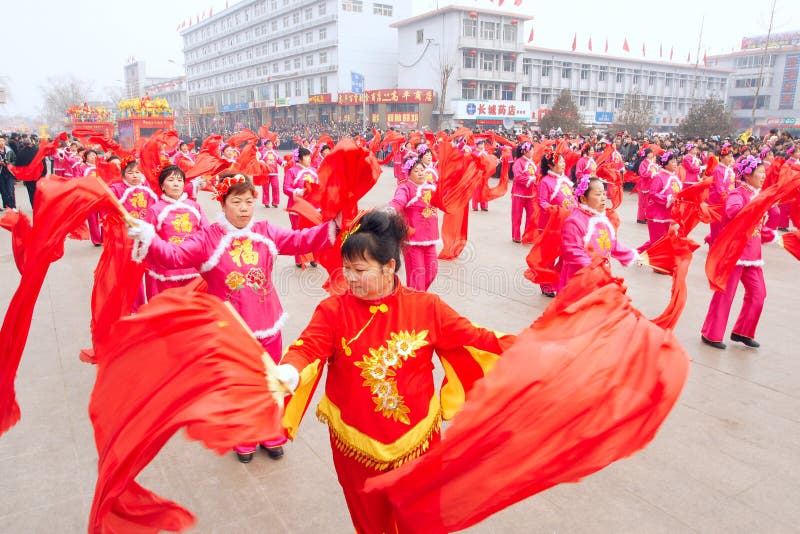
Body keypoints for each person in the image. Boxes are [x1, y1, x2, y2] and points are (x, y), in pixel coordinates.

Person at [274, 210, 510, 534]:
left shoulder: (426, 307)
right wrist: (290, 368)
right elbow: (307, 347)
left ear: (389, 266)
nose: (350, 278)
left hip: (418, 445)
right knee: (369, 523)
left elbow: (478, 338)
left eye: (359, 270)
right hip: (355, 449)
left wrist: (534, 346)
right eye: (346, 269)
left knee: (422, 520)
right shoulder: (333, 311)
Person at [128, 175, 340, 462]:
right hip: (230, 329)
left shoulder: (266, 230)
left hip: (267, 323)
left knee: (269, 380)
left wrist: (334, 226)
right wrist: (150, 237)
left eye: (249, 201)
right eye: (236, 201)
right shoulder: (207, 237)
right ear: (223, 203)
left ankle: (268, 430)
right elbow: (174, 256)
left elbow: (300, 240)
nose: (244, 208)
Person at [701, 157, 776, 350]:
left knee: (759, 293)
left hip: (753, 255)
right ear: (748, 175)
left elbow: (758, 227)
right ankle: (712, 334)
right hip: (735, 253)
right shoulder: (738, 194)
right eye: (760, 173)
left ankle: (742, 331)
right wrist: (755, 209)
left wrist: (773, 235)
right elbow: (733, 211)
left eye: (764, 173)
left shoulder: (757, 196)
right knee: (725, 294)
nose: (763, 176)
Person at [559, 178, 637, 291]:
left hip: (601, 276)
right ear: (583, 199)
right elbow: (574, 252)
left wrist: (631, 256)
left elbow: (612, 244)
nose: (603, 198)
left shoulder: (601, 219)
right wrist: (594, 269)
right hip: (581, 280)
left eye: (604, 194)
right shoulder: (574, 222)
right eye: (598, 194)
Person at [143, 165, 209, 297]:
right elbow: (149, 240)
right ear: (162, 186)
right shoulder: (155, 210)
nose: (176, 184)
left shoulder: (194, 206)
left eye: (179, 180)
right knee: (168, 308)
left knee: (193, 308)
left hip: (193, 266)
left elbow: (206, 233)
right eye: (171, 180)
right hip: (166, 269)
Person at [386, 157, 440, 291]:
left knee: (432, 272)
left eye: (422, 170)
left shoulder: (431, 187)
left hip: (430, 238)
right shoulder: (405, 188)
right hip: (412, 240)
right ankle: (415, 303)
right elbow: (398, 201)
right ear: (409, 173)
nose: (421, 173)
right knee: (418, 277)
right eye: (416, 171)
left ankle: (418, 297)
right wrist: (391, 209)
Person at [536, 150, 576, 297]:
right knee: (549, 256)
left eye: (564, 161)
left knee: (566, 254)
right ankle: (546, 284)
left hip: (567, 223)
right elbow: (542, 202)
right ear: (551, 165)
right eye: (560, 162)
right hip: (550, 225)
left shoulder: (564, 178)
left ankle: (558, 280)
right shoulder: (545, 181)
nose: (564, 164)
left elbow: (571, 197)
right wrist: (555, 210)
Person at [638, 151, 682, 254]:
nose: (675, 164)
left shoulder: (675, 177)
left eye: (676, 161)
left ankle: (637, 253)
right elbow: (653, 194)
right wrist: (667, 198)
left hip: (668, 213)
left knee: (661, 239)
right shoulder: (659, 177)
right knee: (658, 240)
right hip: (657, 214)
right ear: (665, 164)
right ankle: (657, 264)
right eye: (672, 161)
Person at [283, 147, 320, 268]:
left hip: (312, 207)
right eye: (306, 156)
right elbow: (286, 187)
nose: (309, 158)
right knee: (298, 233)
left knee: (314, 232)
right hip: (297, 207)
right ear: (299, 158)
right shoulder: (291, 171)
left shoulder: (314, 171)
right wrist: (298, 191)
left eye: (310, 156)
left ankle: (314, 258)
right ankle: (300, 259)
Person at [706, 143, 736, 245]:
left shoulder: (729, 169)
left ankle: (716, 242)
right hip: (718, 202)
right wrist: (728, 198)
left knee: (724, 225)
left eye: (731, 156)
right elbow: (720, 188)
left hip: (727, 200)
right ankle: (714, 244)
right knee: (717, 225)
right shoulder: (718, 169)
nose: (730, 158)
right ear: (722, 157)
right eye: (728, 156)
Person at [510, 141, 537, 243]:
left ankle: (528, 236)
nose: (533, 151)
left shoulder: (532, 163)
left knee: (531, 216)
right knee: (517, 216)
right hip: (519, 193)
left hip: (530, 194)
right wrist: (530, 179)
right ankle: (516, 236)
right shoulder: (518, 162)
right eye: (532, 149)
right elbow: (518, 177)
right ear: (525, 151)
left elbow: (536, 175)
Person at [635, 148, 657, 224]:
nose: (652, 154)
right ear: (647, 154)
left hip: (651, 184)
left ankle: (646, 216)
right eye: (650, 153)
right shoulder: (643, 163)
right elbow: (642, 173)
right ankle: (640, 218)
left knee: (648, 202)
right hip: (644, 184)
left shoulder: (652, 163)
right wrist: (651, 174)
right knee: (643, 203)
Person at [259, 138, 283, 208]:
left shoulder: (274, 152)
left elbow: (279, 160)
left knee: (275, 187)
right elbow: (259, 160)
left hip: (274, 173)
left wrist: (283, 163)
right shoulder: (262, 152)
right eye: (268, 144)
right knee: (265, 188)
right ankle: (266, 202)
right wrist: (261, 162)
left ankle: (275, 202)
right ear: (265, 145)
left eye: (270, 144)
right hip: (265, 173)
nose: (270, 145)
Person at [470, 139, 490, 212]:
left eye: (483, 144)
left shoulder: (485, 153)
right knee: (476, 190)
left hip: (484, 173)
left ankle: (484, 205)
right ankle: (475, 206)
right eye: (481, 144)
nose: (482, 146)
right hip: (476, 173)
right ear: (477, 145)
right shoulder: (475, 153)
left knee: (484, 189)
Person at [0, 136, 17, 210]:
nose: (1, 142)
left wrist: (9, 163)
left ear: (5, 141)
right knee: (3, 190)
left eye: (2, 141)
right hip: (1, 173)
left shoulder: (9, 150)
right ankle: (7, 205)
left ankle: (13, 206)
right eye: (0, 141)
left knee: (10, 189)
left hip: (9, 172)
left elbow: (15, 160)